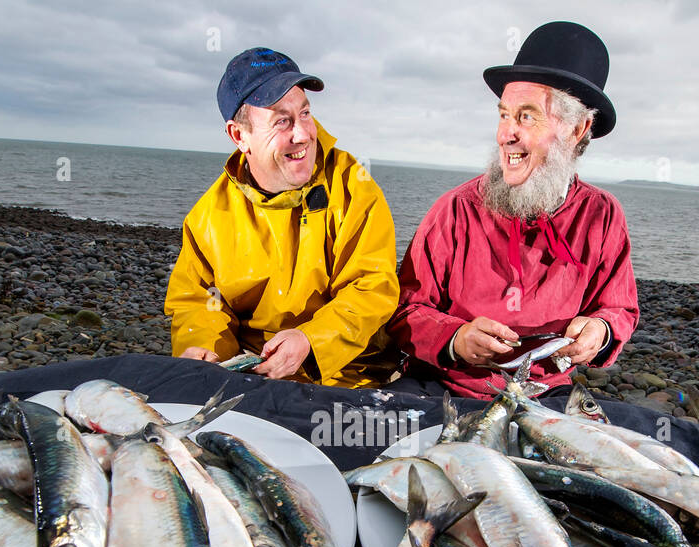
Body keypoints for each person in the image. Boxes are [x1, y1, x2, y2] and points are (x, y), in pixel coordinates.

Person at [389, 22, 639, 398]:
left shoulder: (602, 215)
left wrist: (600, 331)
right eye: (504, 114)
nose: (506, 134)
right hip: (442, 385)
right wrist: (455, 337)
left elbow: (618, 308)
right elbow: (405, 308)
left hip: (542, 393)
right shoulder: (454, 209)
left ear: (578, 129)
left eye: (527, 116)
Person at [167, 47, 400, 388]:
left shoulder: (354, 185)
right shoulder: (208, 216)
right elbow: (198, 300)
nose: (303, 133)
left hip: (347, 375)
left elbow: (372, 286)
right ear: (239, 135)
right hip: (252, 378)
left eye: (305, 113)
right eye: (282, 121)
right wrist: (204, 348)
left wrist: (311, 340)